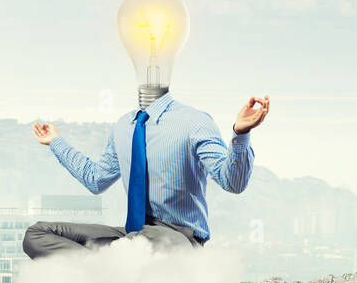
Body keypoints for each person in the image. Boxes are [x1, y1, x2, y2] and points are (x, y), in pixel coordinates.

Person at [23, 94, 270, 258]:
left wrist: (241, 133)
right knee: (36, 236)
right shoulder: (124, 126)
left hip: (178, 239)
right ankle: (104, 272)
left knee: (153, 246)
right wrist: (56, 142)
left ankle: (114, 269)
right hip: (133, 237)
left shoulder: (194, 122)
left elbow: (233, 182)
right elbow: (95, 179)